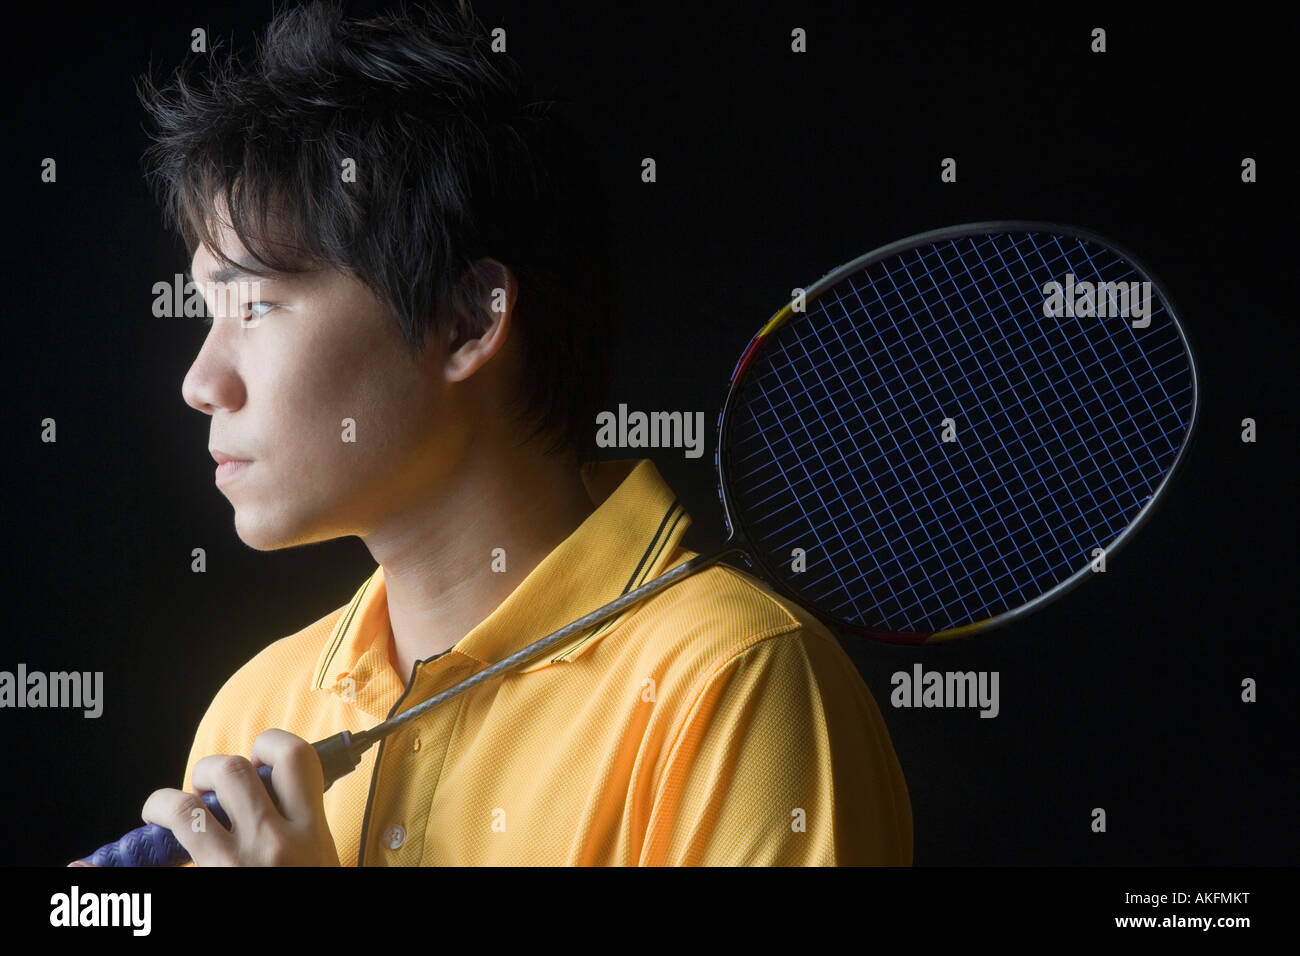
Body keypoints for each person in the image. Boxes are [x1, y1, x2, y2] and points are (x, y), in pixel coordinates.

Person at [75, 0, 912, 866]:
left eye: (254, 305)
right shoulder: (258, 707)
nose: (200, 381)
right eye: (208, 310)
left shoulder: (737, 683)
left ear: (470, 320)